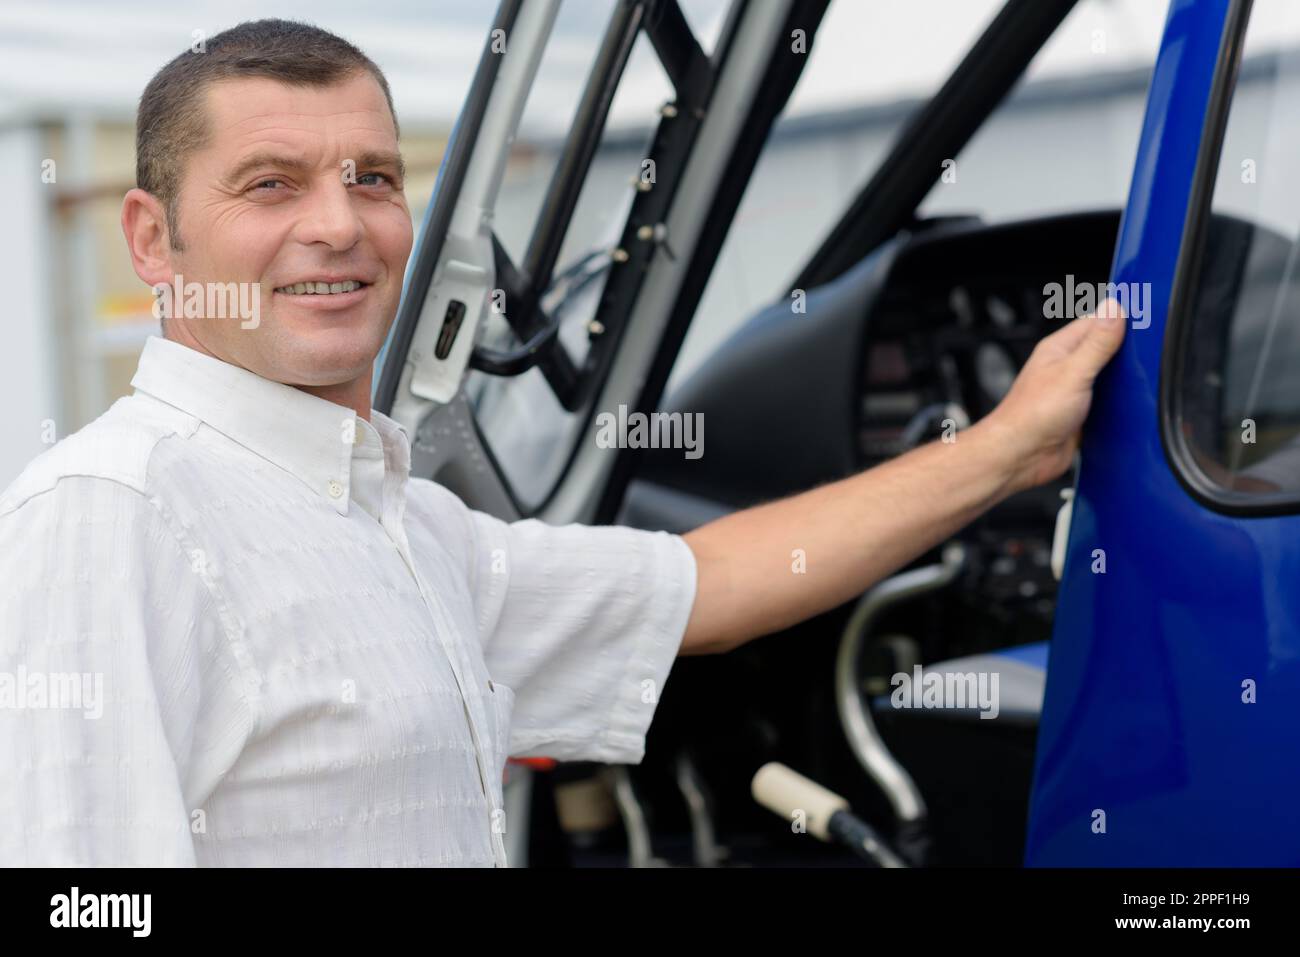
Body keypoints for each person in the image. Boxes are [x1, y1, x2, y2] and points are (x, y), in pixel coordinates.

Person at [0, 20, 1126, 866]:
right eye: (270, 185)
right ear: (154, 238)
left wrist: (1007, 452)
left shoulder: (403, 527)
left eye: (374, 179)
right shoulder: (112, 513)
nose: (339, 224)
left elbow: (710, 582)